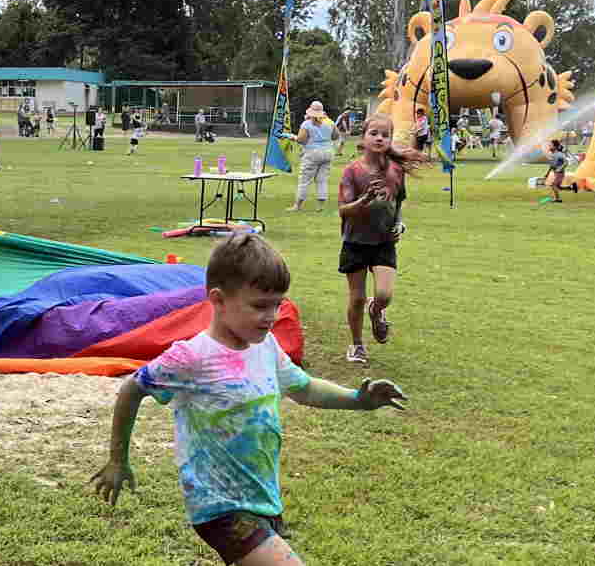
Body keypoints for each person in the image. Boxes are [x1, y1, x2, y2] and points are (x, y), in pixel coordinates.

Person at [90, 232, 409, 566]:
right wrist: (118, 460)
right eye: (260, 305)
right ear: (218, 300)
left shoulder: (266, 346)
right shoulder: (191, 357)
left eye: (277, 304)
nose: (272, 315)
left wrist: (358, 399)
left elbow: (305, 388)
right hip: (219, 505)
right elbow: (133, 388)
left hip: (262, 499)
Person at [335, 114, 422, 364]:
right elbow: (343, 210)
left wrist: (399, 224)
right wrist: (363, 201)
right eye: (374, 133)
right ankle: (357, 345)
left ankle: (376, 309)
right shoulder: (352, 171)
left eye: (385, 134)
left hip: (384, 241)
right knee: (356, 298)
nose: (379, 138)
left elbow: (398, 203)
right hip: (355, 242)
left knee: (384, 295)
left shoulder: (396, 170)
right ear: (363, 137)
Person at [286, 101, 337, 212]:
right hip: (328, 152)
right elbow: (335, 136)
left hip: (312, 153)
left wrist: (292, 137)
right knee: (322, 179)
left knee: (305, 180)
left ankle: (297, 205)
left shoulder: (307, 124)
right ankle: (320, 206)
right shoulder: (330, 122)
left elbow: (301, 140)